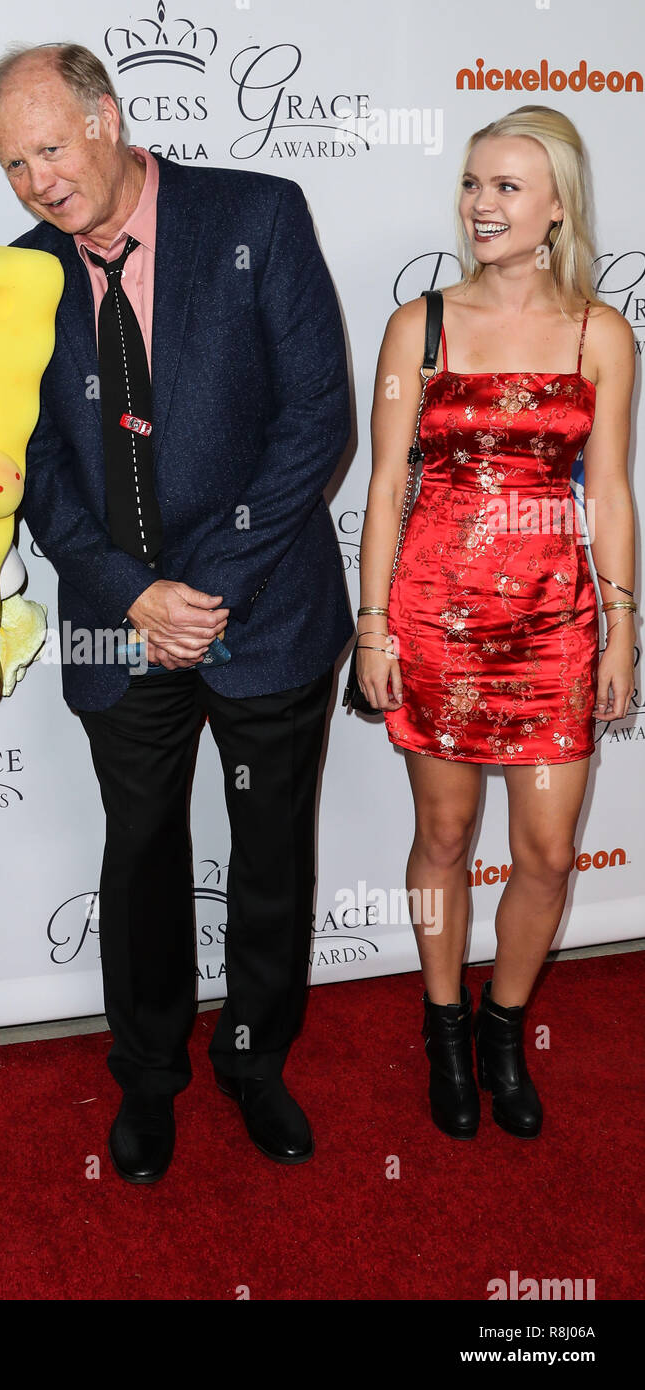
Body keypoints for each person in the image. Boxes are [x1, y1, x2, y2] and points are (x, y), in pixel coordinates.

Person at [0, 43, 353, 1182]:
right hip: (115, 621)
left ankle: (253, 1058)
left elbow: (318, 419)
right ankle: (148, 1079)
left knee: (269, 852)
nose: (39, 180)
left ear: (108, 117)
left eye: (50, 146)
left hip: (267, 604)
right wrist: (132, 593)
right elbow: (33, 468)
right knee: (139, 856)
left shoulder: (258, 216)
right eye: (12, 164)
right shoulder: (21, 280)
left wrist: (206, 583)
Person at [356, 105, 635, 1140]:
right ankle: (441, 1023)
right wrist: (373, 625)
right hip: (433, 617)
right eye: (473, 183)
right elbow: (386, 485)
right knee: (441, 833)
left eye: (508, 187)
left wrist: (622, 627)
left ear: (557, 206)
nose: (481, 203)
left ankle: (503, 1026)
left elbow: (607, 489)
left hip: (552, 623)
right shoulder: (416, 324)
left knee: (550, 854)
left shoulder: (597, 333)